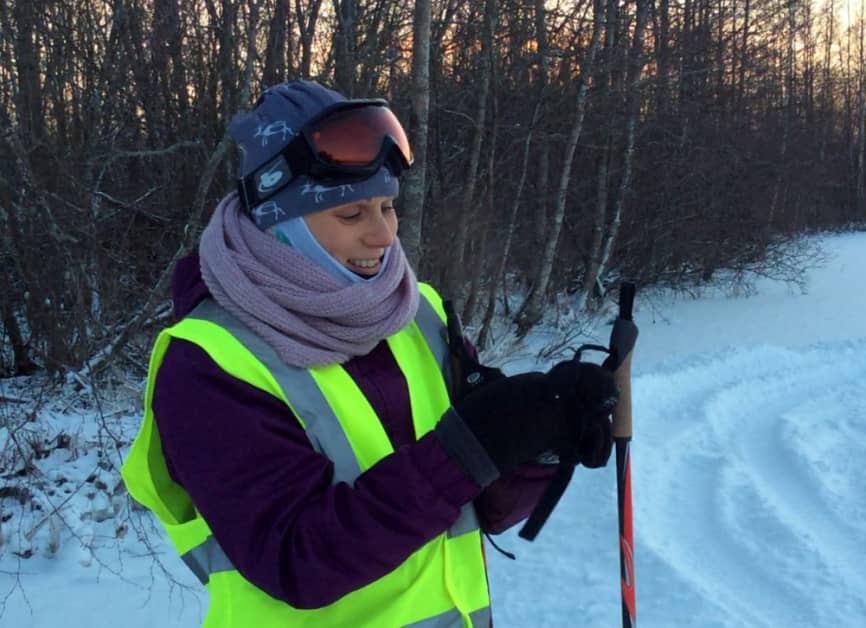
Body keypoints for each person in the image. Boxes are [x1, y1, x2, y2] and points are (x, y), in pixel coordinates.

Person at [121, 80, 619, 628]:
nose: (383, 235)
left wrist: (541, 437)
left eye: (387, 207)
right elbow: (295, 558)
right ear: (278, 221)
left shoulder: (416, 312)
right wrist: (468, 449)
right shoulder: (210, 362)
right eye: (351, 215)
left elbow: (482, 505)